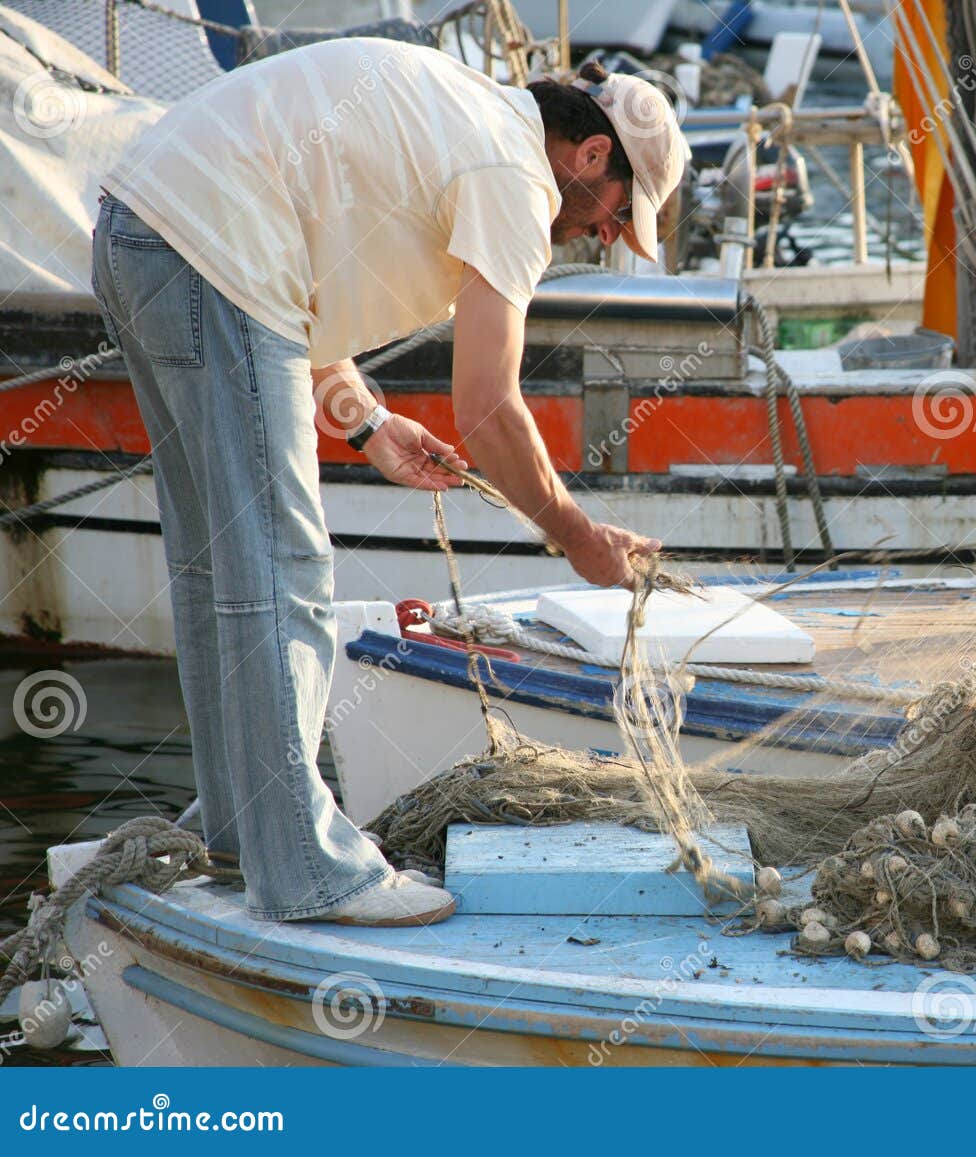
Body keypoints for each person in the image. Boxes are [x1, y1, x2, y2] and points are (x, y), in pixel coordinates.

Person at [90, 39, 688, 927]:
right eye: (615, 213)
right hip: (207, 249)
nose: (605, 235)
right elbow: (487, 406)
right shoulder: (517, 178)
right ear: (590, 155)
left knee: (222, 566)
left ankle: (241, 835)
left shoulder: (468, 119)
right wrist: (577, 535)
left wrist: (366, 421)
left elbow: (292, 255)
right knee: (282, 566)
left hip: (141, 231)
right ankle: (305, 870)